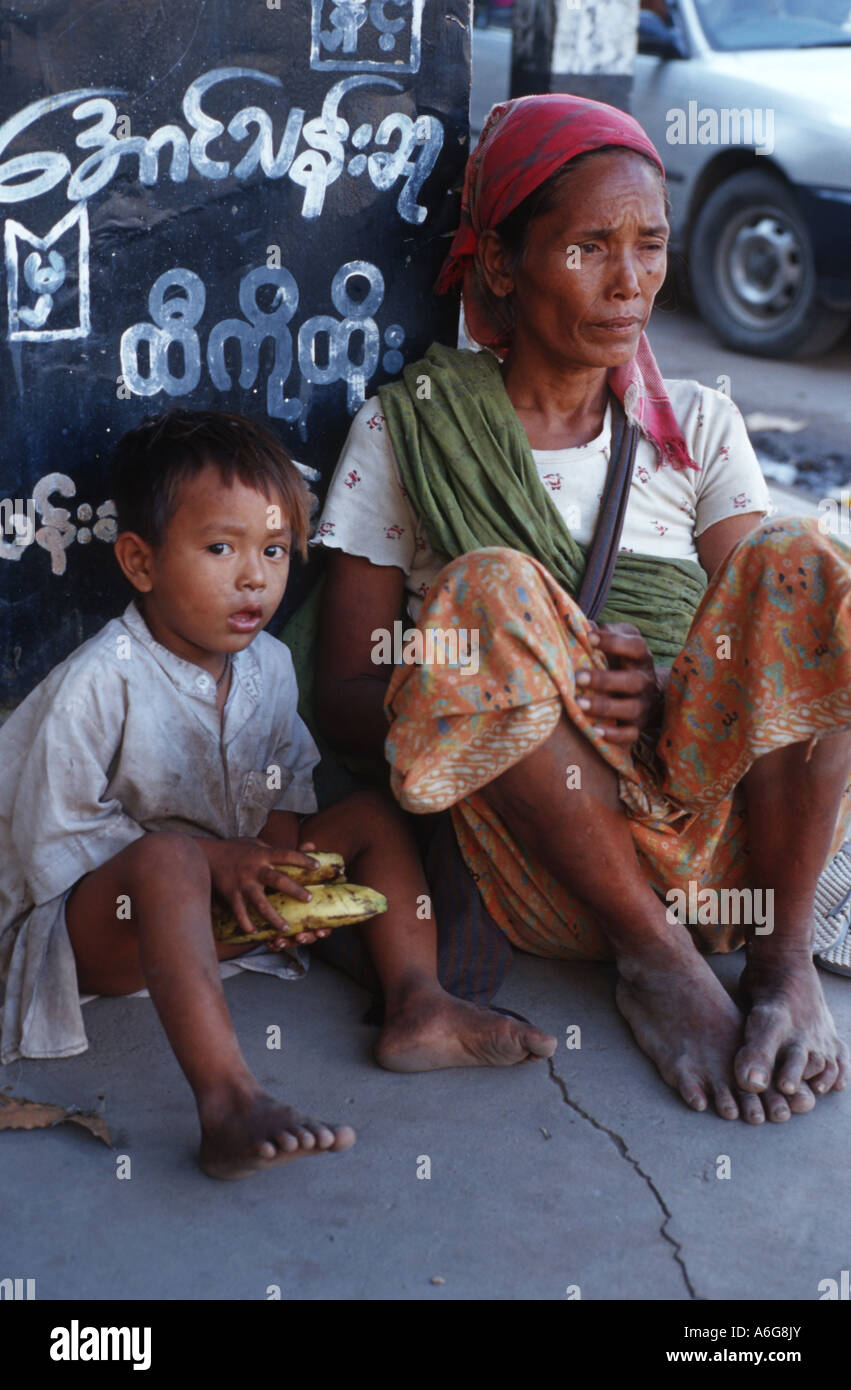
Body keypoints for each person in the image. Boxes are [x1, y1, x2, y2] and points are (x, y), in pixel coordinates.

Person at [314, 93, 851, 1125]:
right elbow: (339, 694)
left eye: (649, 245)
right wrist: (511, 678)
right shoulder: (412, 428)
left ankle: (780, 961)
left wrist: (660, 687)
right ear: (505, 266)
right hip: (543, 859)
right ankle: (654, 963)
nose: (630, 283)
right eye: (588, 247)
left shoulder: (695, 423)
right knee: (490, 589)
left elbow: (776, 661)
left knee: (805, 558)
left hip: (722, 855)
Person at [0, 409, 555, 1181]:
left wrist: (275, 869)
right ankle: (228, 1100)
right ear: (140, 561)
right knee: (167, 862)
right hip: (94, 931)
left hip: (219, 902)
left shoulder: (268, 666)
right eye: (220, 549)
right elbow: (47, 852)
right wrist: (212, 861)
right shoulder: (99, 682)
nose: (254, 577)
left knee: (367, 815)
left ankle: (417, 1001)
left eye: (272, 550)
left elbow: (280, 790)